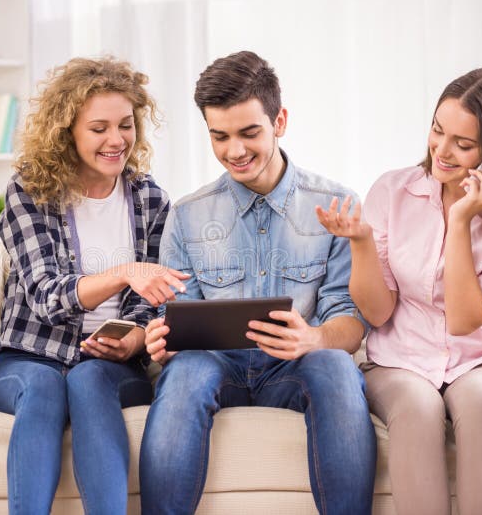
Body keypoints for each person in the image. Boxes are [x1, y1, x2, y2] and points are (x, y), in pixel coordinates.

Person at [141, 50, 377, 515]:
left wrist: (313, 337)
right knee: (184, 371)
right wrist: (163, 338)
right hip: (215, 368)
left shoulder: (336, 205)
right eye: (219, 136)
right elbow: (177, 319)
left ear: (279, 121)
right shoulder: (187, 215)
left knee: (334, 367)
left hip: (294, 369)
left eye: (249, 133)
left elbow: (351, 323)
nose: (235, 151)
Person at [316, 68, 482, 515]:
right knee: (418, 409)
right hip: (398, 360)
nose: (442, 151)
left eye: (463, 145)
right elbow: (379, 313)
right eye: (437, 131)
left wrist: (461, 220)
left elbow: (464, 320)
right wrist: (361, 242)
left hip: (481, 361)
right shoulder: (393, 190)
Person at [0, 56, 187, 515]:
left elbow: (152, 304)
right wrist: (122, 271)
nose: (117, 140)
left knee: (90, 378)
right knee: (46, 387)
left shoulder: (150, 198)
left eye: (126, 125)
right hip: (30, 356)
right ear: (67, 132)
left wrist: (135, 338)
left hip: (112, 366)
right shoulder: (29, 192)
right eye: (99, 128)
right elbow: (45, 296)